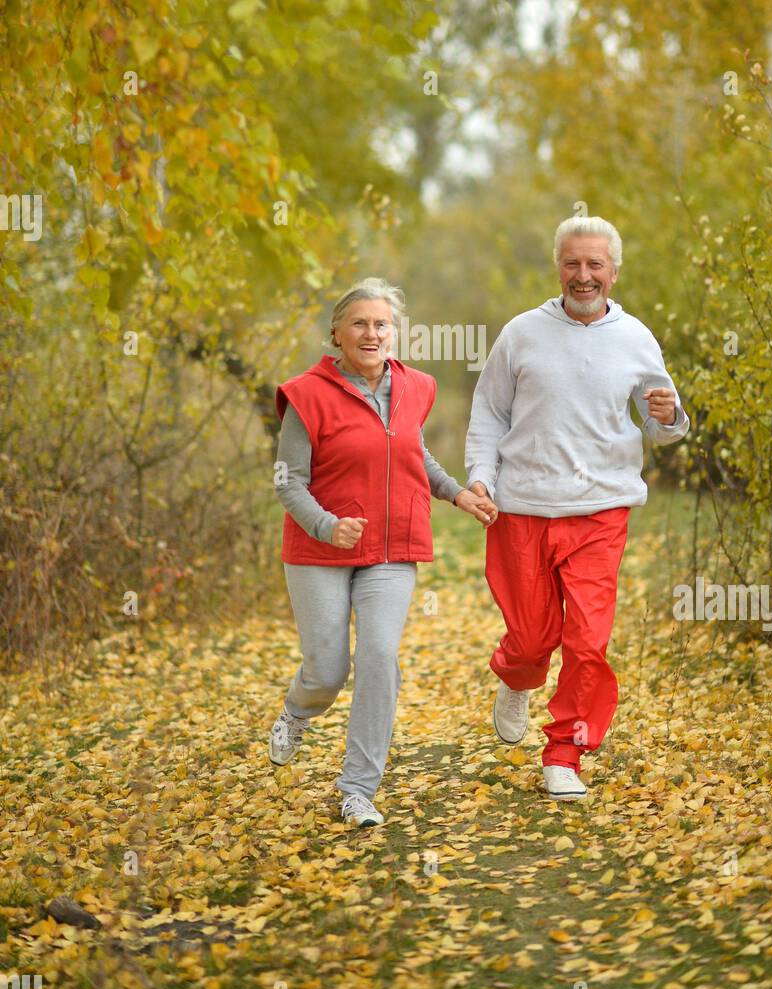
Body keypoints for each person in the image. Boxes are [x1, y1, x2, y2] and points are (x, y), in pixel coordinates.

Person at [465, 215, 689, 802]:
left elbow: (660, 423)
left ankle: (565, 752)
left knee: (587, 642)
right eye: (573, 263)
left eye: (595, 265)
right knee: (533, 636)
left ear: (613, 271)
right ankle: (517, 676)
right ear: (558, 267)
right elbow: (489, 412)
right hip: (523, 508)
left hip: (601, 509)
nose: (583, 275)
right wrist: (481, 479)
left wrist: (669, 417)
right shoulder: (520, 334)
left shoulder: (636, 338)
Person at [270, 277, 496, 828]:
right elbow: (287, 480)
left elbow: (417, 455)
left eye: (381, 324)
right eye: (360, 324)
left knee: (379, 659)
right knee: (327, 671)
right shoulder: (306, 394)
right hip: (319, 551)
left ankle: (357, 790)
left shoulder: (416, 387)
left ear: (394, 332)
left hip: (392, 550)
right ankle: (297, 712)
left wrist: (459, 493)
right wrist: (327, 526)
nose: (371, 333)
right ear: (338, 333)